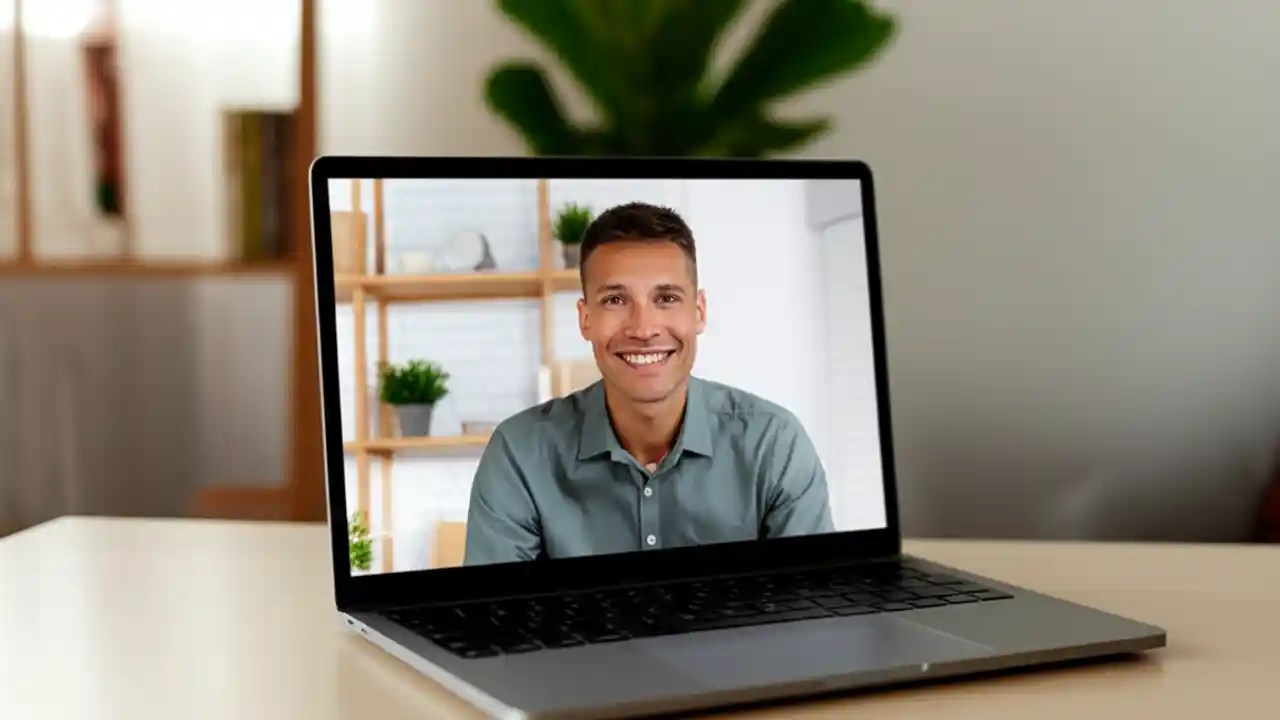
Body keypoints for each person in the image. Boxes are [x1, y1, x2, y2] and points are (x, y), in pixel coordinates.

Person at [462, 201, 834, 565]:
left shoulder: (774, 444)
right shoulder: (520, 454)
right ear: (585, 318)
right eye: (615, 300)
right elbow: (494, 620)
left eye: (667, 298)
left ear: (699, 312)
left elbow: (813, 610)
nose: (643, 329)